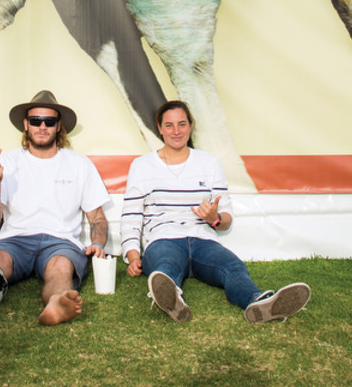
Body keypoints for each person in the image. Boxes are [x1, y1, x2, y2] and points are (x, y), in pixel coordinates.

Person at [120, 99, 311, 323]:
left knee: (232, 266)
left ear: (190, 126)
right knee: (165, 268)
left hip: (203, 241)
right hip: (163, 239)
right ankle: (172, 299)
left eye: (182, 124)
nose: (176, 131)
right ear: (160, 128)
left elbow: (227, 219)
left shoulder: (209, 163)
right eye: (169, 125)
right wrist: (133, 256)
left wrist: (215, 218)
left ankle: (259, 301)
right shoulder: (142, 166)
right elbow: (131, 216)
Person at [0, 89, 111, 326]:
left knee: (60, 266)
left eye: (49, 121)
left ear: (59, 126)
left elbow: (97, 217)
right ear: (26, 125)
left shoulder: (79, 164)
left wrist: (98, 243)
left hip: (61, 242)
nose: (42, 126)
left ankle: (57, 303)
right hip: (15, 240)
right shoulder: (8, 162)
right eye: (36, 121)